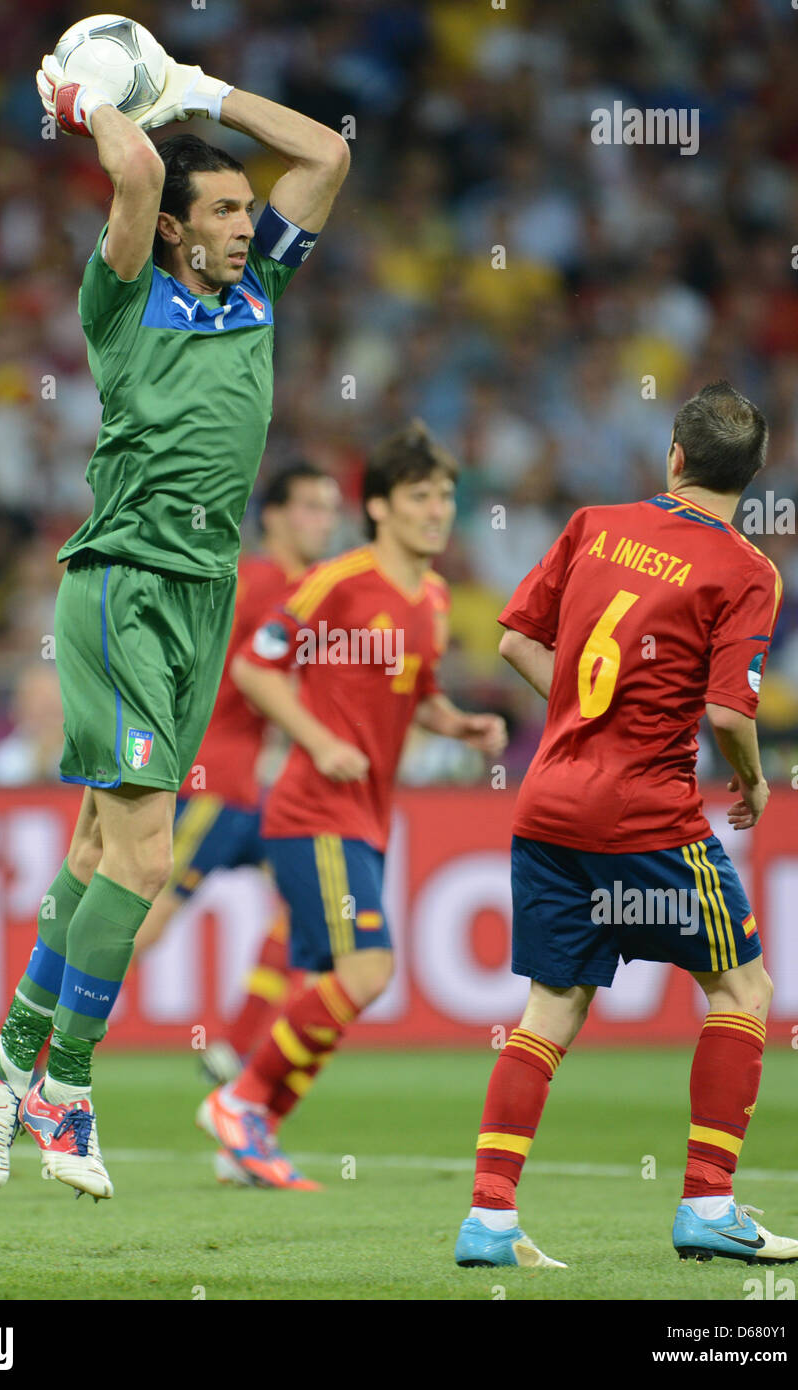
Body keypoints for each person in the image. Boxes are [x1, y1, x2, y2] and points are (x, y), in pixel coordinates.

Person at [0, 38, 350, 1201]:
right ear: (177, 229)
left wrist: (198, 93)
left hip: (202, 598)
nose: (247, 222)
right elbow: (132, 179)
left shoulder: (260, 287)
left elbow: (325, 151)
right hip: (124, 584)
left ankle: (4, 1058)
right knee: (144, 856)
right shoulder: (124, 295)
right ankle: (65, 1089)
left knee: (94, 850)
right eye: (224, 209)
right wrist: (95, 104)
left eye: (247, 207)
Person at [453, 381, 798, 1269]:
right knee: (741, 991)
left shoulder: (593, 525)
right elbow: (730, 717)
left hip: (547, 806)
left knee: (550, 1006)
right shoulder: (746, 570)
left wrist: (583, 714)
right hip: (646, 817)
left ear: (674, 458)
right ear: (752, 479)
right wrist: (754, 784)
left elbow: (512, 643)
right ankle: (708, 1204)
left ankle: (488, 1219)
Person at [195, 421, 508, 1188]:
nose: (436, 511)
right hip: (312, 809)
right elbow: (254, 667)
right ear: (378, 507)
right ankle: (239, 1102)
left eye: (444, 497)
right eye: (419, 497)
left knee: (322, 989)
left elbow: (414, 690)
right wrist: (317, 740)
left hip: (367, 817)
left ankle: (250, 1134)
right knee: (367, 972)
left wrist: (454, 721)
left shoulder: (432, 597)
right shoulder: (339, 582)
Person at [132, 463, 340, 1087]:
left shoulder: (308, 588)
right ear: (272, 515)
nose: (322, 520)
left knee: (311, 909)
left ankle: (236, 1047)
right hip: (218, 777)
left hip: (267, 788)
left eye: (330, 507)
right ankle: (38, 1049)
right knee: (150, 912)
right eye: (309, 505)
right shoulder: (257, 583)